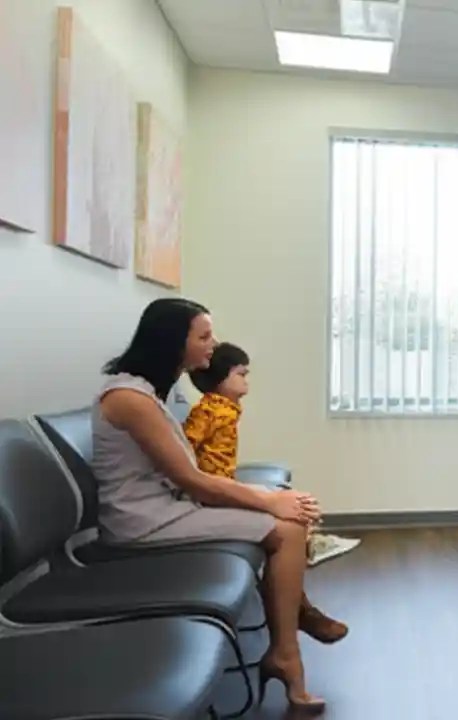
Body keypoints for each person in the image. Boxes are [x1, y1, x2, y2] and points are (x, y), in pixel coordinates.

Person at [92, 298, 326, 713]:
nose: (213, 345)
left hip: (165, 508)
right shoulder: (131, 399)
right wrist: (271, 501)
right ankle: (286, 653)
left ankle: (291, 635)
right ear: (172, 342)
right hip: (143, 522)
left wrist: (271, 503)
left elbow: (189, 478)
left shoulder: (147, 393)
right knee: (288, 529)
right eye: (203, 336)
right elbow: (192, 479)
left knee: (287, 521)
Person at [185, 341, 359, 644]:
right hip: (211, 490)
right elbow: (184, 447)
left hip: (223, 482)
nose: (246, 381)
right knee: (281, 512)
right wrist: (199, 479)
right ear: (221, 379)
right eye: (241, 374)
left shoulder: (225, 408)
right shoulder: (208, 410)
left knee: (292, 501)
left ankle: (309, 549)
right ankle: (303, 598)